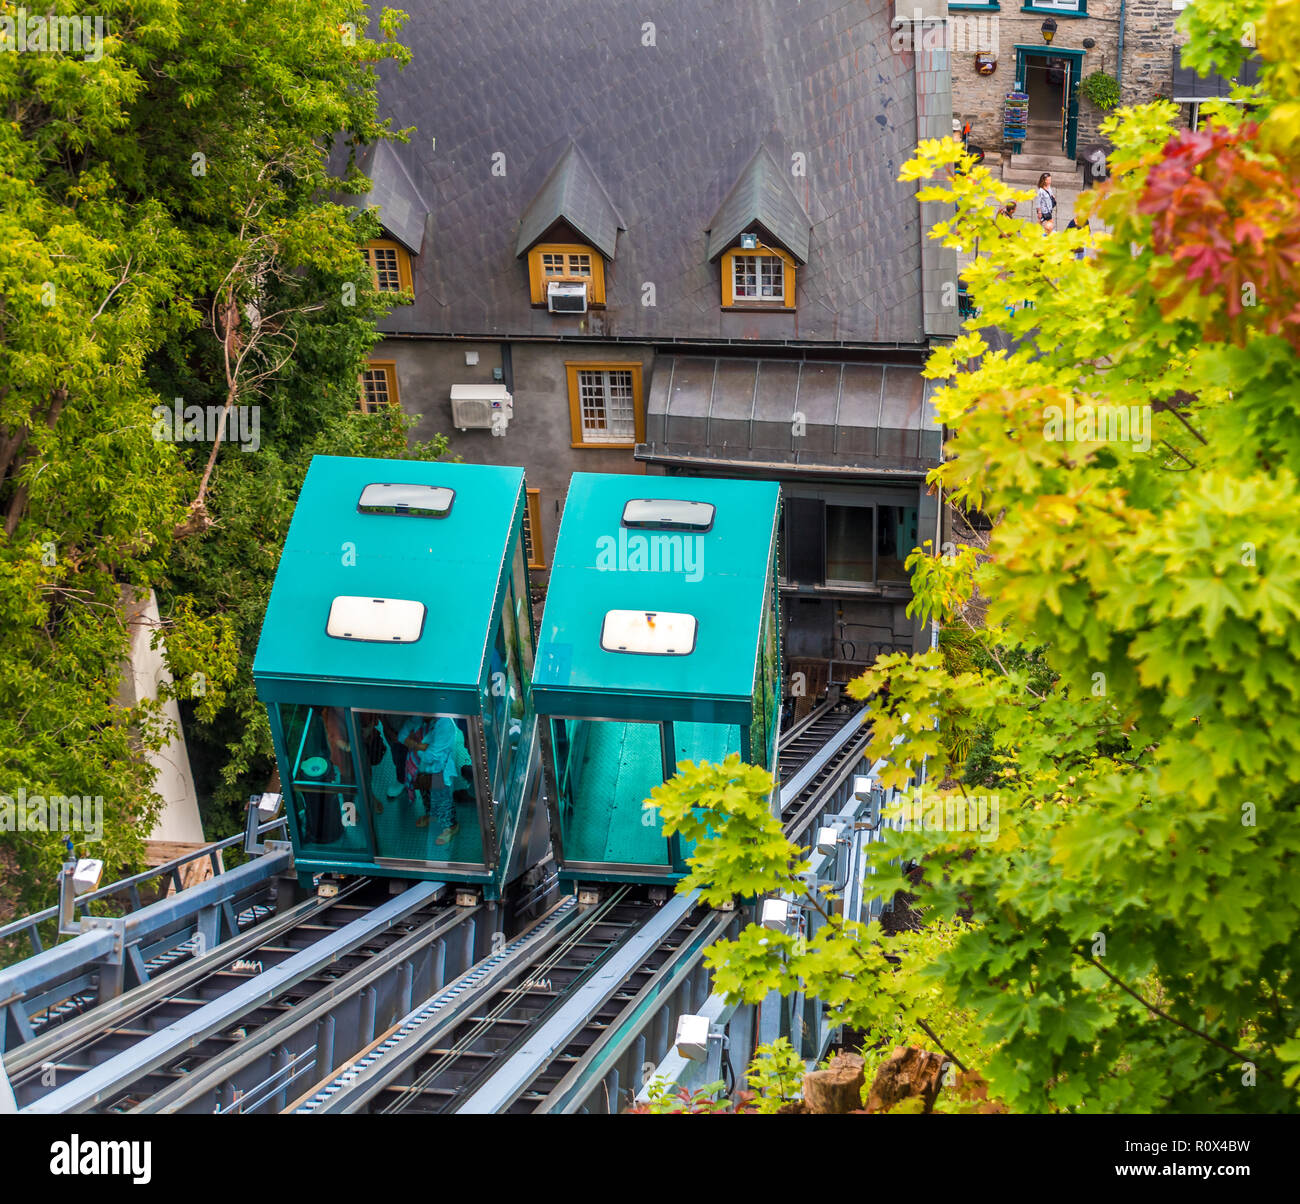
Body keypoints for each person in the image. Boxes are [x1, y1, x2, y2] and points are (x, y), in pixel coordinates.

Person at [399, 714, 460, 842]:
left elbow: (432, 756)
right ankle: (431, 815)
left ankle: (451, 826)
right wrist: (420, 746)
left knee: (442, 798)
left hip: (439, 770)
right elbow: (402, 735)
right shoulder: (421, 716)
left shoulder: (445, 724)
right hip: (421, 768)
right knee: (425, 793)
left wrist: (414, 746)